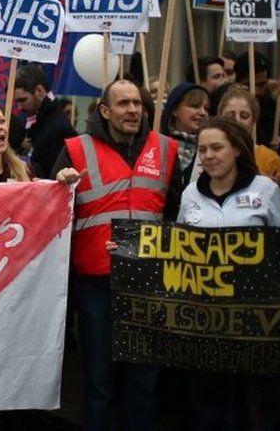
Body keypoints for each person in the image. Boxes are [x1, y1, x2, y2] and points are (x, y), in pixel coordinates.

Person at [52, 78, 183, 431]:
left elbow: (177, 215)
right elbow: (54, 219)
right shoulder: (77, 150)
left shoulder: (167, 149)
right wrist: (59, 187)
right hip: (97, 287)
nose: (133, 110)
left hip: (149, 287)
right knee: (99, 383)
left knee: (143, 385)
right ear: (105, 111)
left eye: (138, 103)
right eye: (124, 103)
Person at [175, 117, 280, 430]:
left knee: (277, 400)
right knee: (211, 406)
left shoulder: (264, 189)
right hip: (208, 319)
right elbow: (176, 248)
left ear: (238, 149)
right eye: (202, 149)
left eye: (217, 147)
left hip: (256, 318)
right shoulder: (190, 196)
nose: (208, 155)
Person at [13, 64, 76, 178]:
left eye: (23, 100)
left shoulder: (58, 127)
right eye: (17, 102)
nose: (19, 107)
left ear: (39, 90)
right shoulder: (35, 122)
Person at [217, 85, 280, 177]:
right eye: (230, 115)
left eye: (244, 116)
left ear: (253, 121)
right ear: (220, 118)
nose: (237, 120)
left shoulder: (269, 159)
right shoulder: (209, 153)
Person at [233, 52, 280, 145]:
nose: (255, 91)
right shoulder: (226, 115)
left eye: (261, 85)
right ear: (237, 84)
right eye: (249, 85)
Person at [161, 83, 210, 181]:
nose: (202, 113)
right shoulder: (158, 145)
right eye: (195, 106)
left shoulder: (210, 147)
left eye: (206, 108)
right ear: (175, 109)